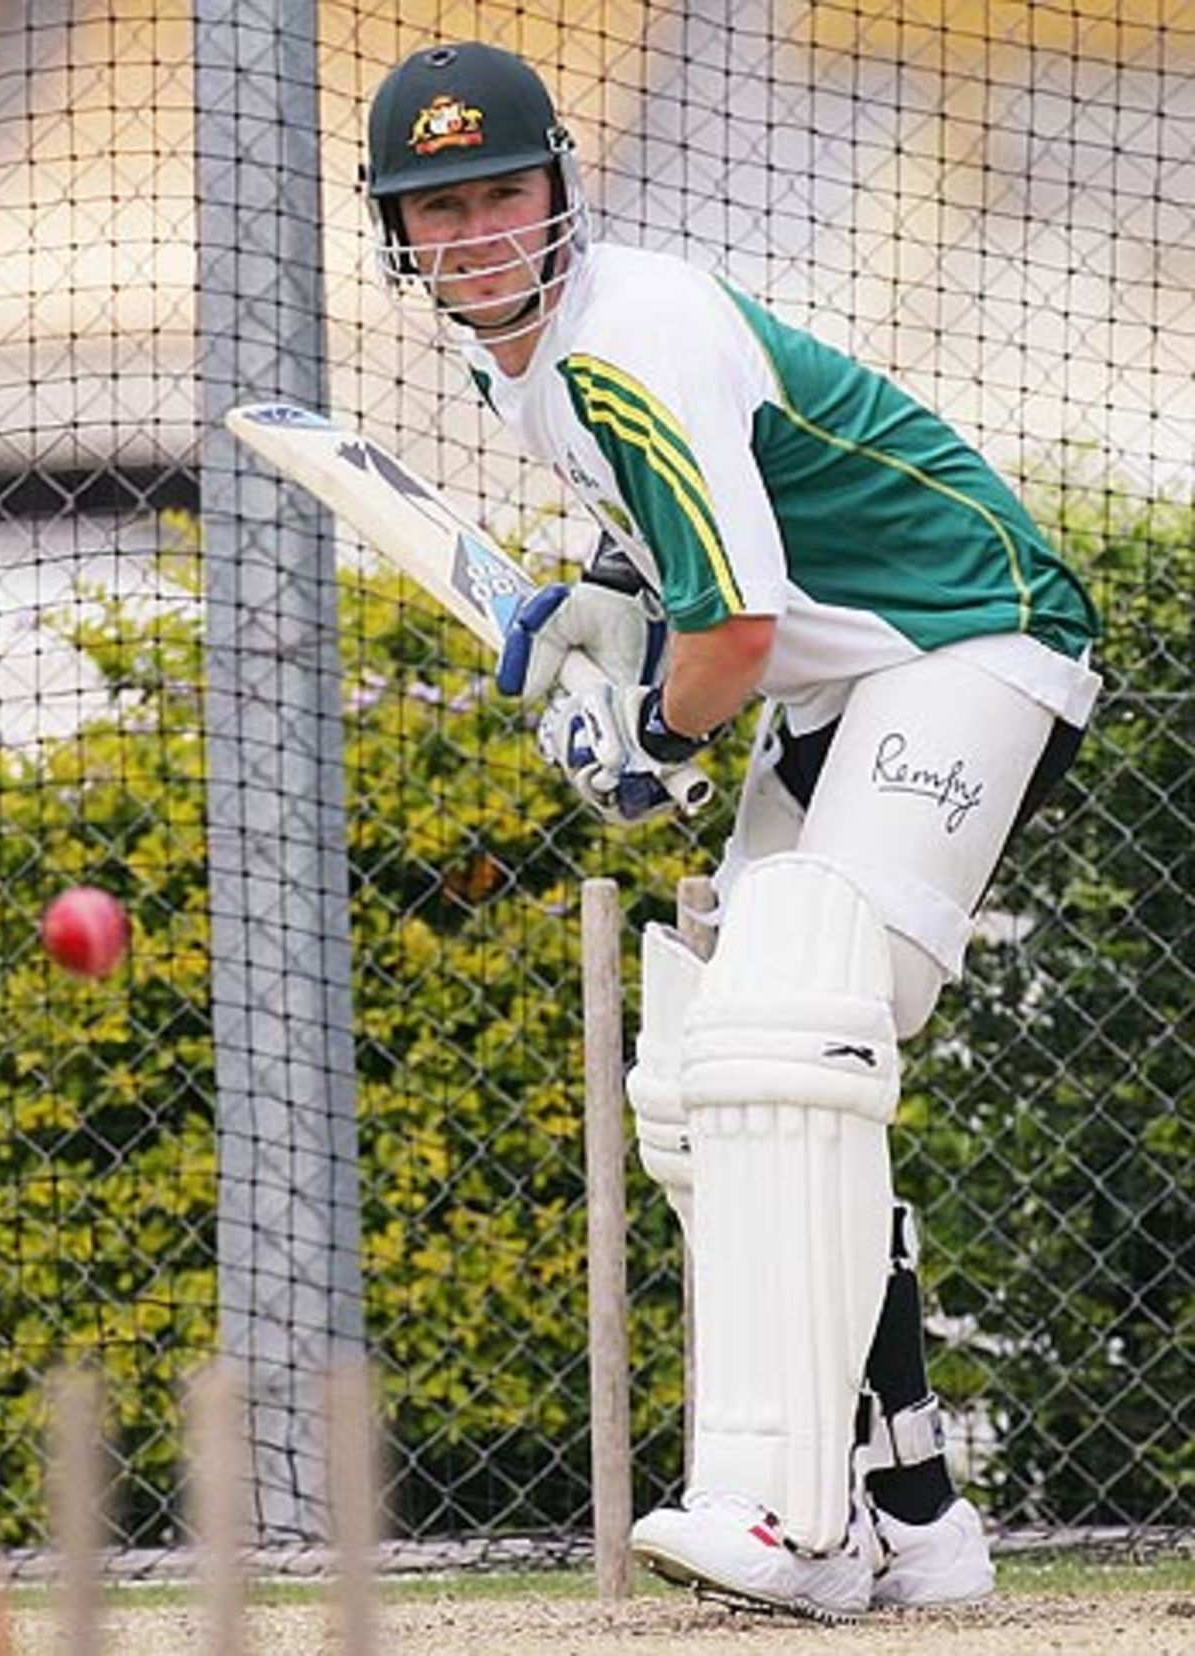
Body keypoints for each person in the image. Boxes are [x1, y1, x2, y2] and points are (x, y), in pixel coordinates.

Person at [364, 41, 1101, 1622]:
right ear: (400, 235)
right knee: (717, 1069)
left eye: (501, 193)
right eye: (439, 211)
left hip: (971, 635)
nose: (476, 232)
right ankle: (913, 1516)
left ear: (562, 187)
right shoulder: (526, 365)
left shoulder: (629, 336)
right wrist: (598, 612)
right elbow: (690, 564)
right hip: (856, 682)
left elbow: (740, 636)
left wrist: (645, 737)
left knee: (798, 1023)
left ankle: (797, 1517)